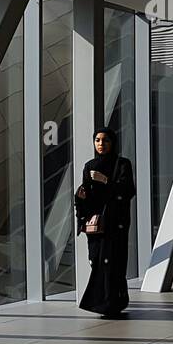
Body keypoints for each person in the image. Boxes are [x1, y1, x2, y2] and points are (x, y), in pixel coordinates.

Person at [75, 128, 135, 316]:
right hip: (96, 224)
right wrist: (80, 197)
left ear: (113, 143)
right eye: (98, 140)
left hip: (115, 223)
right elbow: (87, 196)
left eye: (105, 140)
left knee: (113, 262)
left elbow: (127, 191)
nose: (101, 144)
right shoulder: (89, 165)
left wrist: (105, 180)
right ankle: (103, 302)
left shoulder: (122, 164)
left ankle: (112, 304)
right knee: (96, 260)